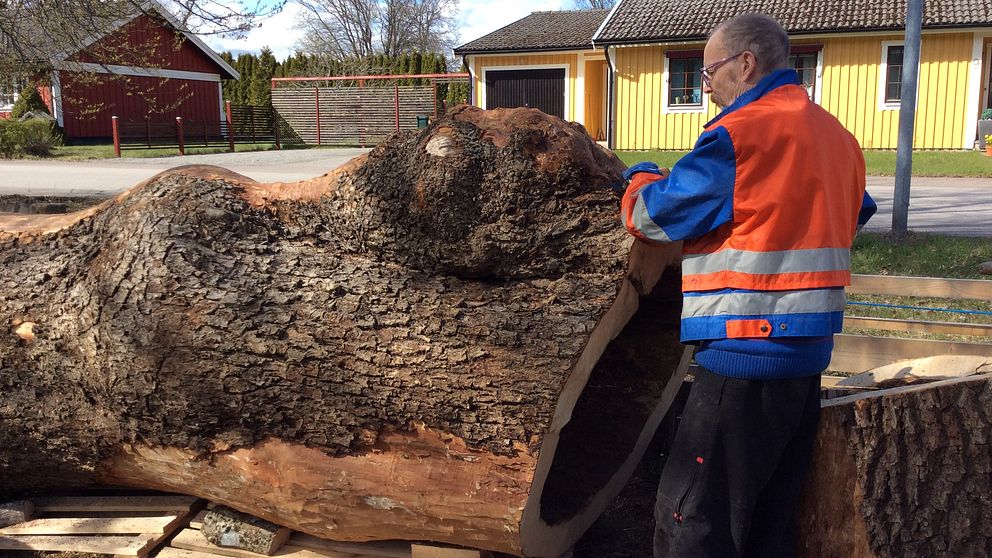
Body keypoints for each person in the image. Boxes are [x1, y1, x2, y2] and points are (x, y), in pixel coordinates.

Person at [619, 13, 877, 558]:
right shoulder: (838, 137)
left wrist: (640, 175)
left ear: (746, 64)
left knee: (691, 518)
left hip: (742, 355)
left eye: (709, 70)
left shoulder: (739, 135)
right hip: (807, 360)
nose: (706, 84)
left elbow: (652, 217)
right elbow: (856, 210)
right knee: (764, 521)